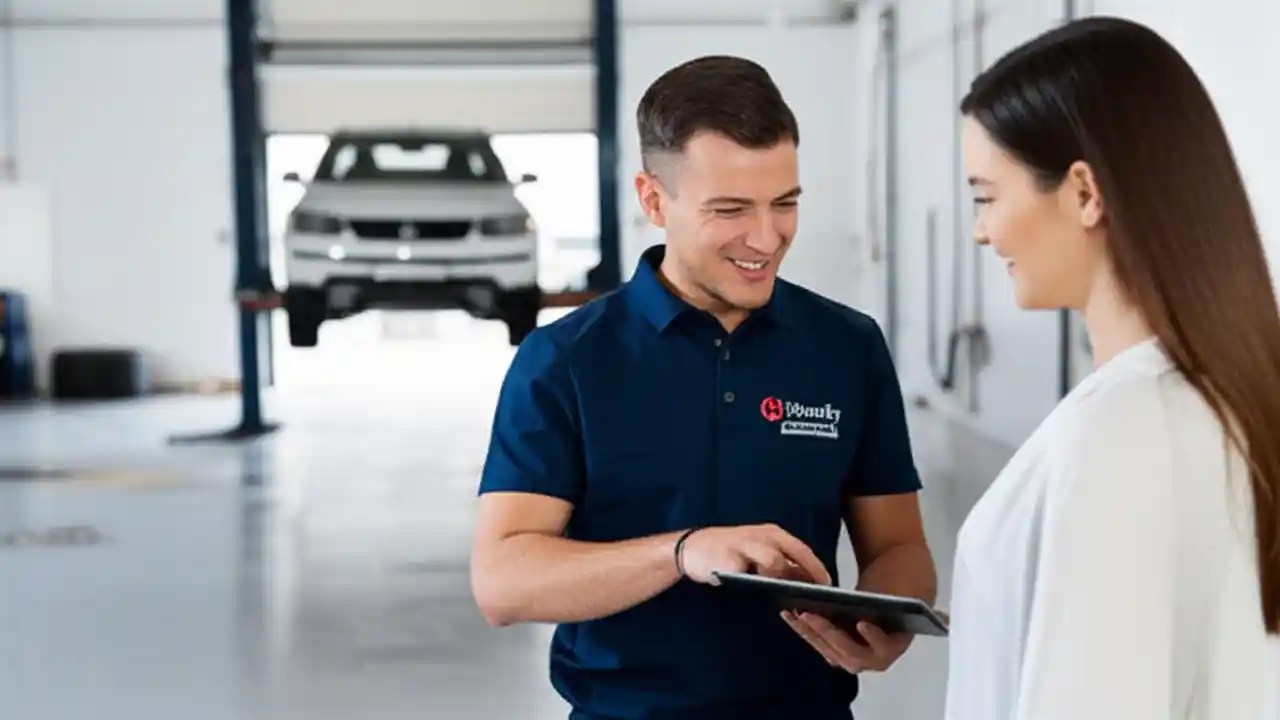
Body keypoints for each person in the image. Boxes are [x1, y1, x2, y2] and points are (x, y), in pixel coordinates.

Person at [795, 16, 1280, 719]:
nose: (980, 230)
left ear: (1085, 193)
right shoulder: (1228, 399)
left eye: (987, 195)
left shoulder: (1120, 427)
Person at [470, 55, 937, 720]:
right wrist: (683, 552)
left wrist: (885, 621)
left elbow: (899, 547)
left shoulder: (847, 346)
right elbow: (503, 582)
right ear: (653, 199)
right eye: (730, 210)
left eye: (785, 204)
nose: (766, 237)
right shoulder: (565, 360)